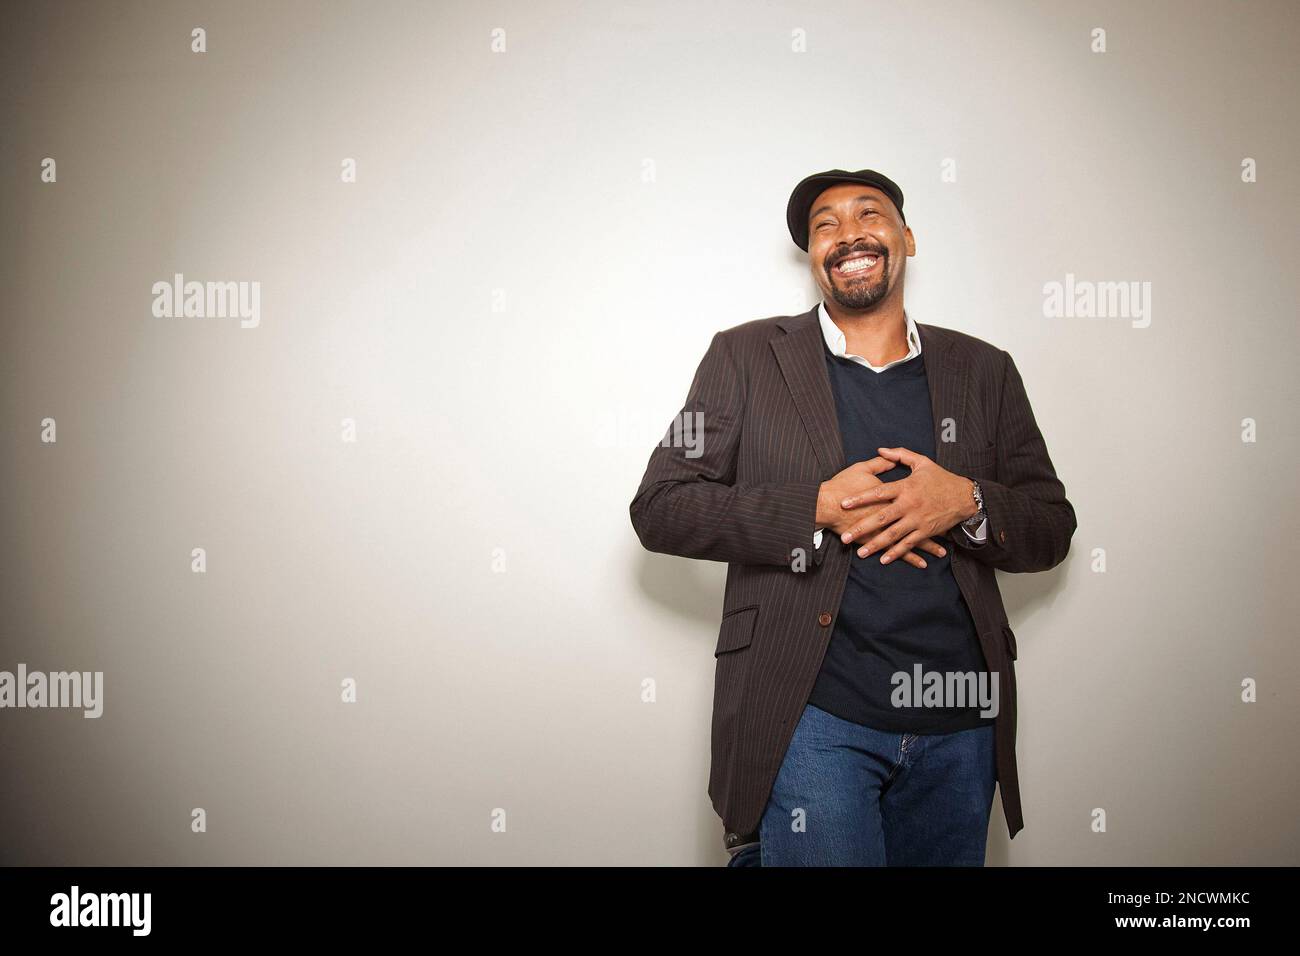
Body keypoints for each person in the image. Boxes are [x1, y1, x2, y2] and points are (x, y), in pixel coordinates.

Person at [629, 168, 1076, 866]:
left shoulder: (985, 369)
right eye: (825, 225)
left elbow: (1051, 527)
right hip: (810, 714)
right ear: (813, 255)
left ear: (907, 238)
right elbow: (661, 506)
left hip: (961, 719)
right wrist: (814, 506)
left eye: (869, 215)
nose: (847, 234)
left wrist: (967, 501)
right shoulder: (742, 356)